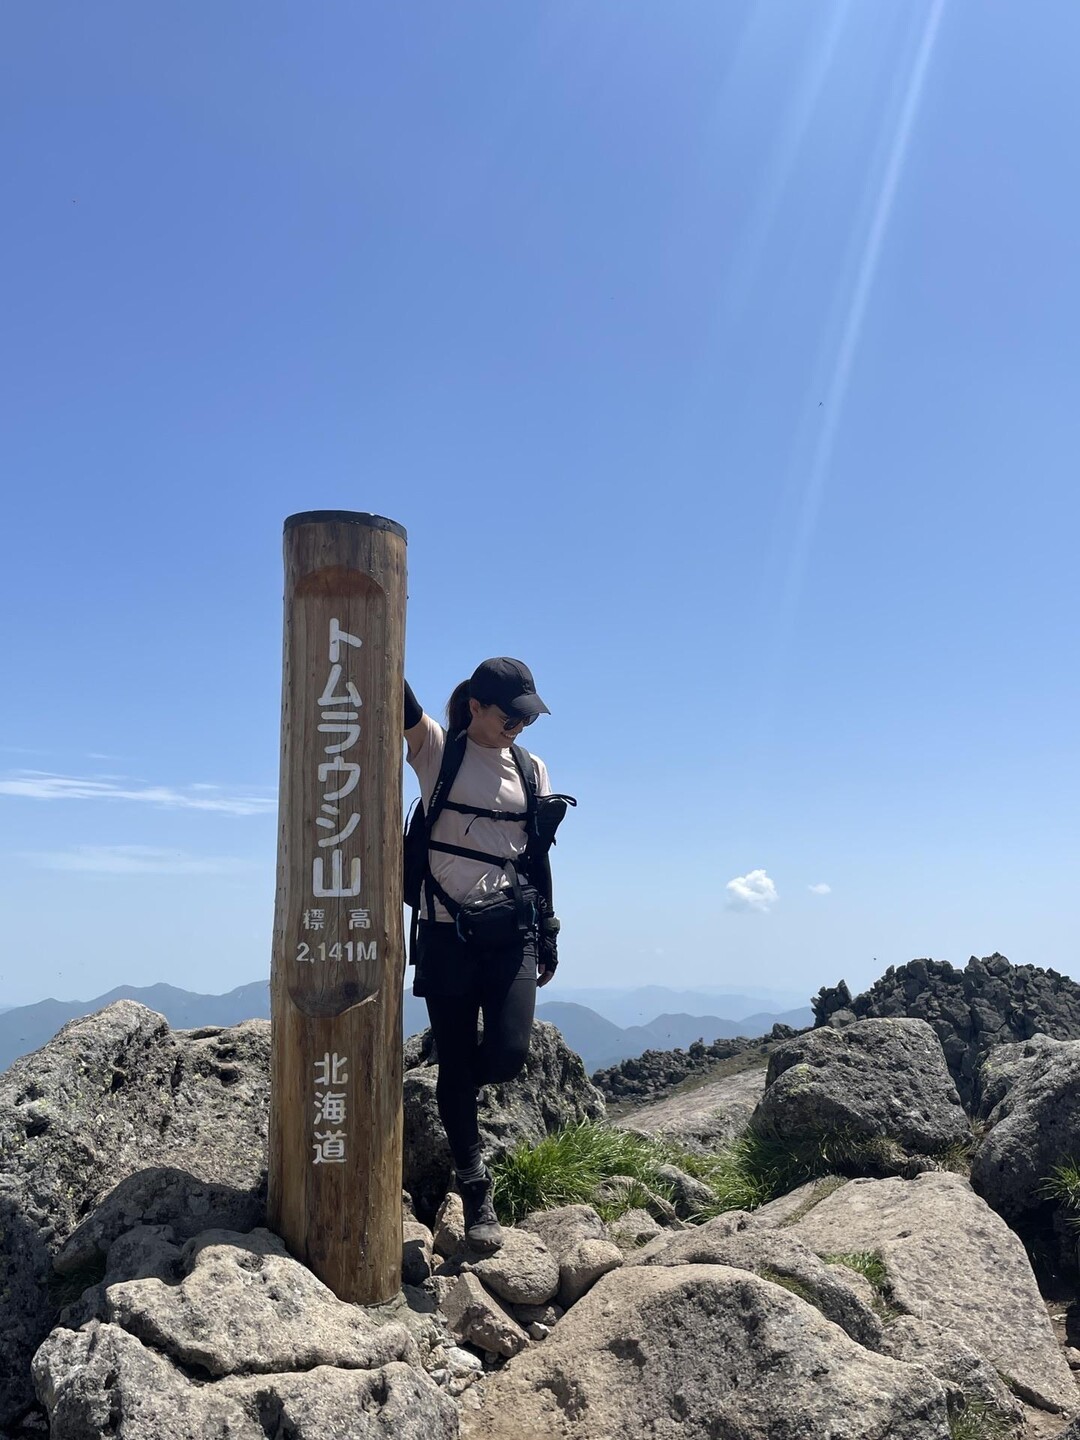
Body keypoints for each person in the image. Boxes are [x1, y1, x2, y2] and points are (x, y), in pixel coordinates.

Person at [404, 657, 556, 1252]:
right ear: (476, 708)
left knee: (509, 1055)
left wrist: (548, 929)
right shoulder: (437, 751)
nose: (521, 725)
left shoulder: (532, 767)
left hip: (511, 930)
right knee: (458, 1068)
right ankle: (475, 1188)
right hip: (446, 931)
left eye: (527, 715)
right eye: (510, 715)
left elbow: (537, 855)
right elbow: (401, 701)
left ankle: (456, 1086)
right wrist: (360, 631)